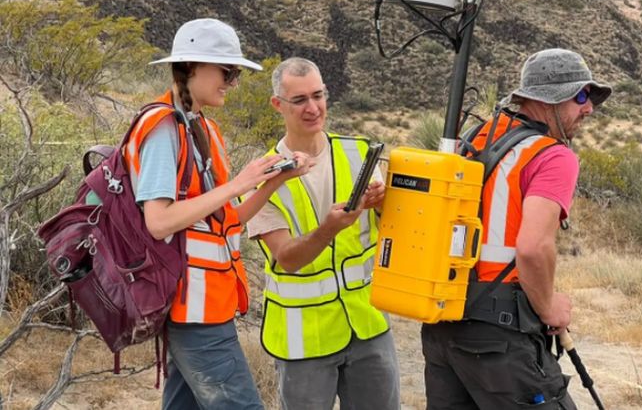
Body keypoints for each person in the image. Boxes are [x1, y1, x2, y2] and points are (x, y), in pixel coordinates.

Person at [130, 18, 311, 410]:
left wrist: (275, 181)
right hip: (192, 311)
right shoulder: (162, 128)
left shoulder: (205, 130)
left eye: (236, 74)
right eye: (226, 71)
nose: (232, 81)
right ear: (190, 68)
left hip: (209, 303)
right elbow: (158, 221)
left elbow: (228, 223)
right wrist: (238, 183)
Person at [421, 48, 613, 410]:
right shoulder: (553, 156)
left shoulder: (477, 138)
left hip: (442, 327)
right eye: (582, 96)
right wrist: (548, 307)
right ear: (549, 99)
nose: (588, 108)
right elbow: (532, 248)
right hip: (500, 338)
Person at [247, 57, 401, 410]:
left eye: (318, 96)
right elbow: (286, 259)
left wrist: (382, 204)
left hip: (368, 325)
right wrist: (327, 230)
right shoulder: (262, 177)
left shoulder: (358, 152)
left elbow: (392, 229)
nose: (313, 108)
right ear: (277, 105)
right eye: (299, 100)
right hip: (304, 342)